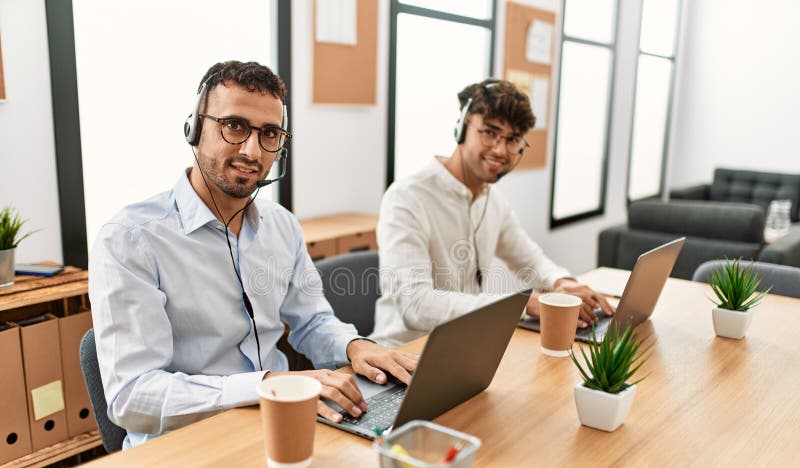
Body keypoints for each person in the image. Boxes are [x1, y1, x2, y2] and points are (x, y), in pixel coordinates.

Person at [89, 61, 417, 448]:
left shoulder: (281, 226)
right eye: (234, 126)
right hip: (185, 446)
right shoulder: (129, 240)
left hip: (278, 423)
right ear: (195, 127)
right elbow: (132, 395)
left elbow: (311, 321)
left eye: (269, 133)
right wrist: (266, 386)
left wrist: (354, 346)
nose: (251, 150)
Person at [371, 79, 614, 347]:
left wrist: (562, 283)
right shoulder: (407, 197)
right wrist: (526, 305)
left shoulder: (491, 200)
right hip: (400, 354)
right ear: (462, 127)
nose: (500, 149)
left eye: (512, 140)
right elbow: (416, 304)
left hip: (464, 344)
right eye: (489, 132)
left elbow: (530, 259)